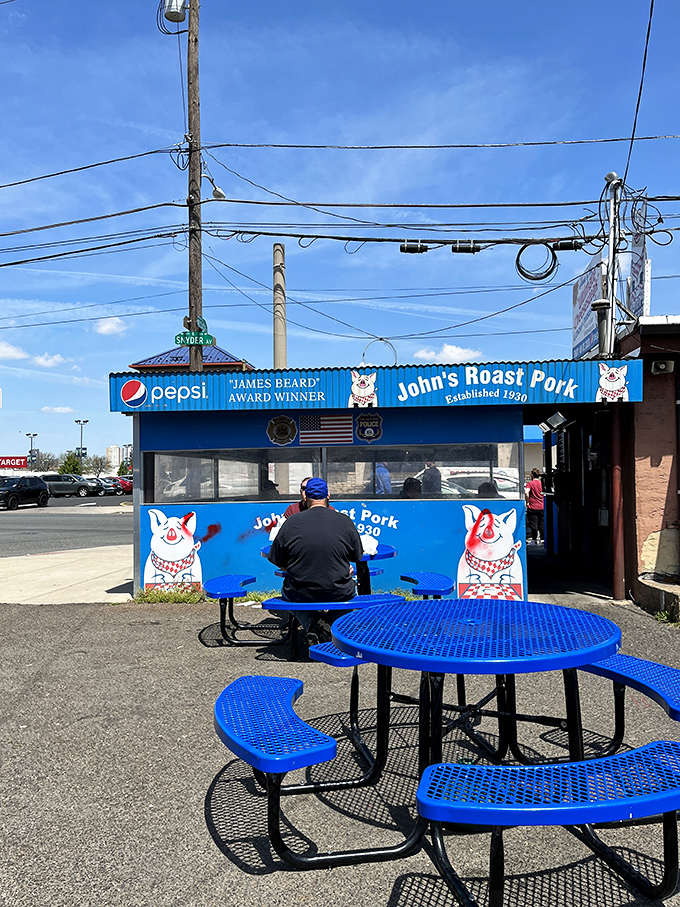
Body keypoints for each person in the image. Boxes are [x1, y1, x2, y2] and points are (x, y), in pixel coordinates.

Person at [268, 477, 364, 644]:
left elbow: (276, 559)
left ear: (306, 497)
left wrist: (292, 567)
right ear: (328, 495)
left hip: (299, 592)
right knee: (350, 595)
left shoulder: (291, 522)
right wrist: (344, 565)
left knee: (289, 595)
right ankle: (329, 624)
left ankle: (313, 625)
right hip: (339, 591)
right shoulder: (344, 520)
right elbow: (357, 556)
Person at [525, 467, 545, 544]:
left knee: (534, 525)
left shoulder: (530, 483)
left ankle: (534, 539)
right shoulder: (541, 484)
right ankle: (542, 539)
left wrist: (527, 502)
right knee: (541, 524)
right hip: (542, 506)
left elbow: (526, 492)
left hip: (533, 507)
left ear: (532, 475)